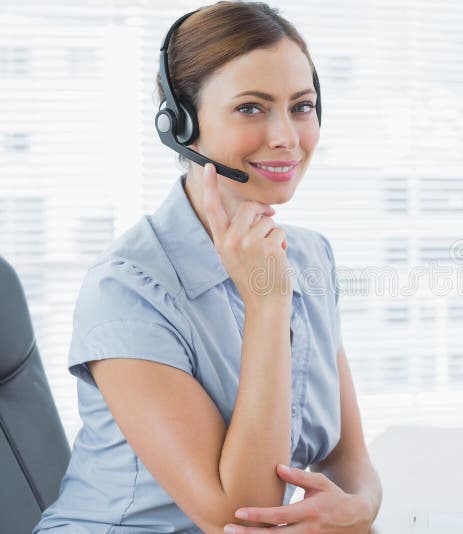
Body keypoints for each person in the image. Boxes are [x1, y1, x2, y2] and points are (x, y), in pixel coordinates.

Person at [33, 2, 381, 532]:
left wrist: (358, 507)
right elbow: (239, 514)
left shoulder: (309, 256)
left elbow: (349, 464)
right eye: (251, 108)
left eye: (302, 106)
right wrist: (268, 304)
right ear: (182, 124)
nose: (286, 135)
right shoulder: (127, 288)